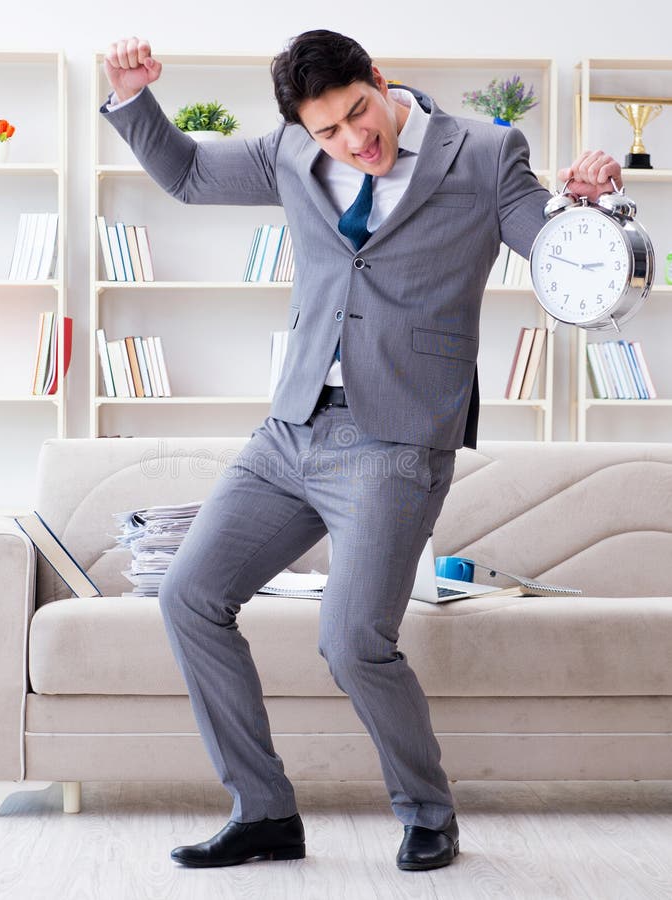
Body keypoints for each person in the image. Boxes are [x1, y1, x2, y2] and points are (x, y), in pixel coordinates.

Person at [101, 29, 621, 871]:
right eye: (330, 132)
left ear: (379, 82)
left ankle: (427, 811)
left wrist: (587, 207)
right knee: (190, 595)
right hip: (292, 426)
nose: (353, 142)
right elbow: (189, 174)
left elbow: (553, 258)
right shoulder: (288, 153)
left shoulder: (484, 153)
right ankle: (264, 811)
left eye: (358, 114)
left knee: (351, 642)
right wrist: (131, 97)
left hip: (396, 439)